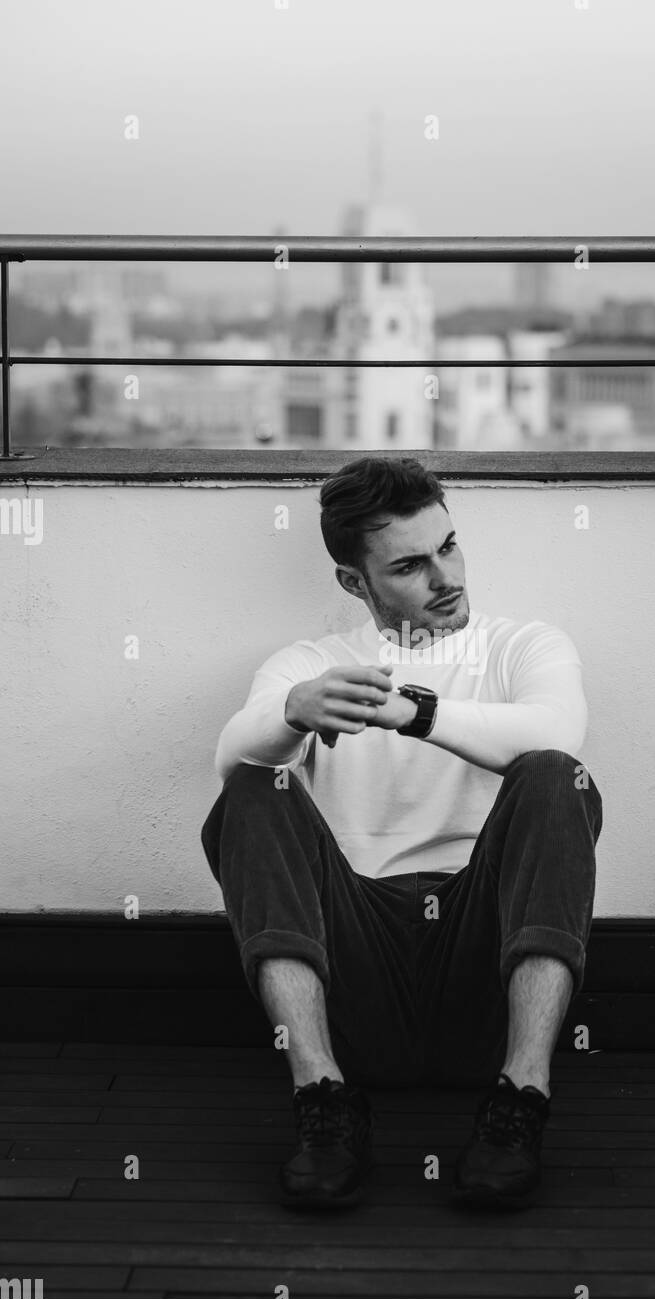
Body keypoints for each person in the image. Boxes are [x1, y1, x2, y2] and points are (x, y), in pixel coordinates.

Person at [201, 456, 603, 1210]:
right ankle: (323, 1099)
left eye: (449, 546)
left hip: (482, 964)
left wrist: (415, 712)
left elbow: (560, 732)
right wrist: (291, 712)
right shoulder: (313, 666)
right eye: (411, 565)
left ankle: (522, 1096)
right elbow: (232, 757)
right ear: (356, 583)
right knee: (256, 783)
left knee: (556, 776)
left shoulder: (525, 646)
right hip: (358, 972)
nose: (444, 576)